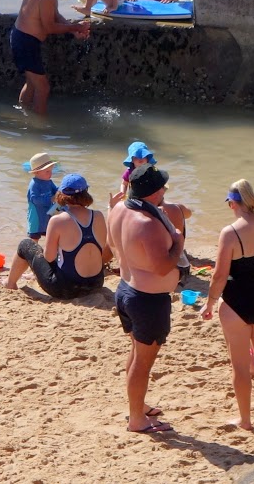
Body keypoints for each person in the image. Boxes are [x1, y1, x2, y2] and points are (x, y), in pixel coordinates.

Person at [201, 179, 254, 434]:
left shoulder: (230, 233)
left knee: (240, 366)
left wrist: (209, 303)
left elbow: (219, 276)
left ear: (233, 204)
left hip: (236, 303)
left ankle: (246, 420)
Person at [109, 166, 185, 434]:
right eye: (162, 187)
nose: (165, 190)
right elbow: (163, 267)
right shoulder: (148, 224)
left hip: (126, 289)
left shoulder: (119, 209)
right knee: (143, 363)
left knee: (136, 354)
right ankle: (136, 419)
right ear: (154, 192)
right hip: (147, 300)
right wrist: (178, 240)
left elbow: (111, 243)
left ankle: (137, 406)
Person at [5, 173, 108, 298]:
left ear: (61, 194)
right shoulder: (98, 215)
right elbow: (102, 248)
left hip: (66, 288)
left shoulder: (58, 220)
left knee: (25, 245)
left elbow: (49, 257)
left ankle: (10, 283)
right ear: (86, 192)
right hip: (96, 284)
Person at [12, 0, 91, 115]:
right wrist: (75, 26)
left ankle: (23, 114)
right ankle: (39, 127)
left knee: (32, 83)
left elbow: (54, 14)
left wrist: (73, 30)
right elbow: (49, 27)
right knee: (43, 88)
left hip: (23, 38)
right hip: (25, 41)